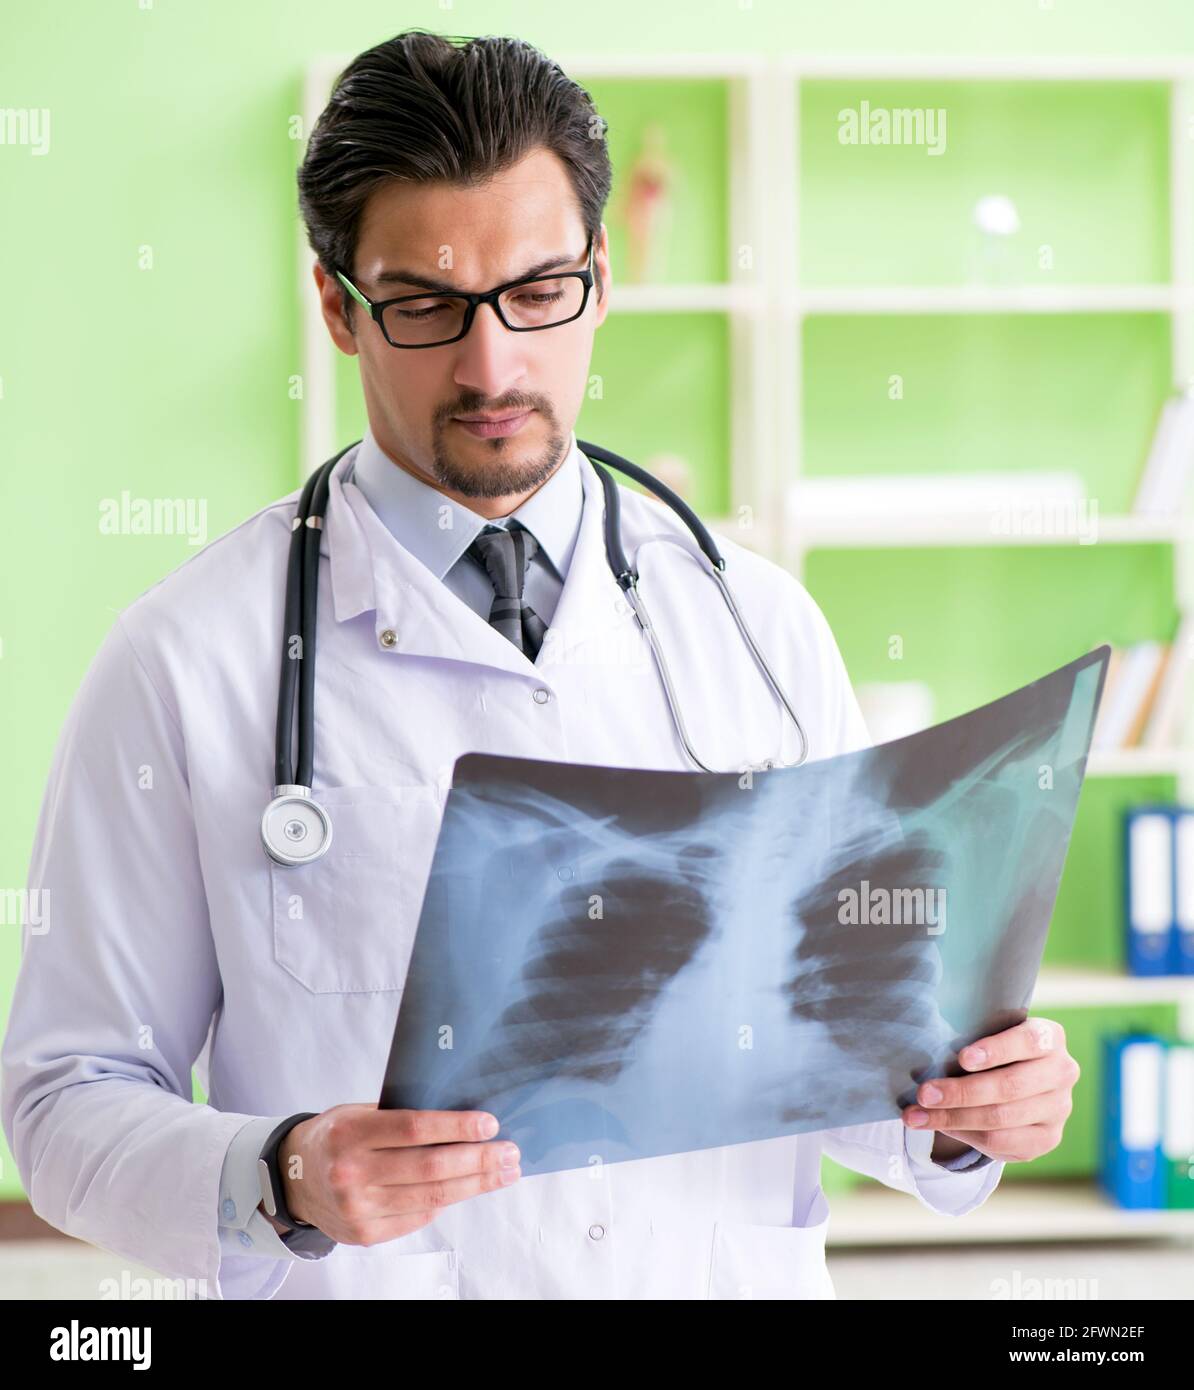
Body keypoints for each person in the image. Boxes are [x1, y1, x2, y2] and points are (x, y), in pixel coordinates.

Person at [1, 29, 1079, 1301]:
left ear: (601, 281)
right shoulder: (187, 660)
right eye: (424, 304)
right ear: (339, 308)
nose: (492, 364)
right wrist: (280, 1172)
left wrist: (968, 1107)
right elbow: (66, 1103)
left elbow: (847, 1065)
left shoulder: (763, 632)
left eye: (536, 291)